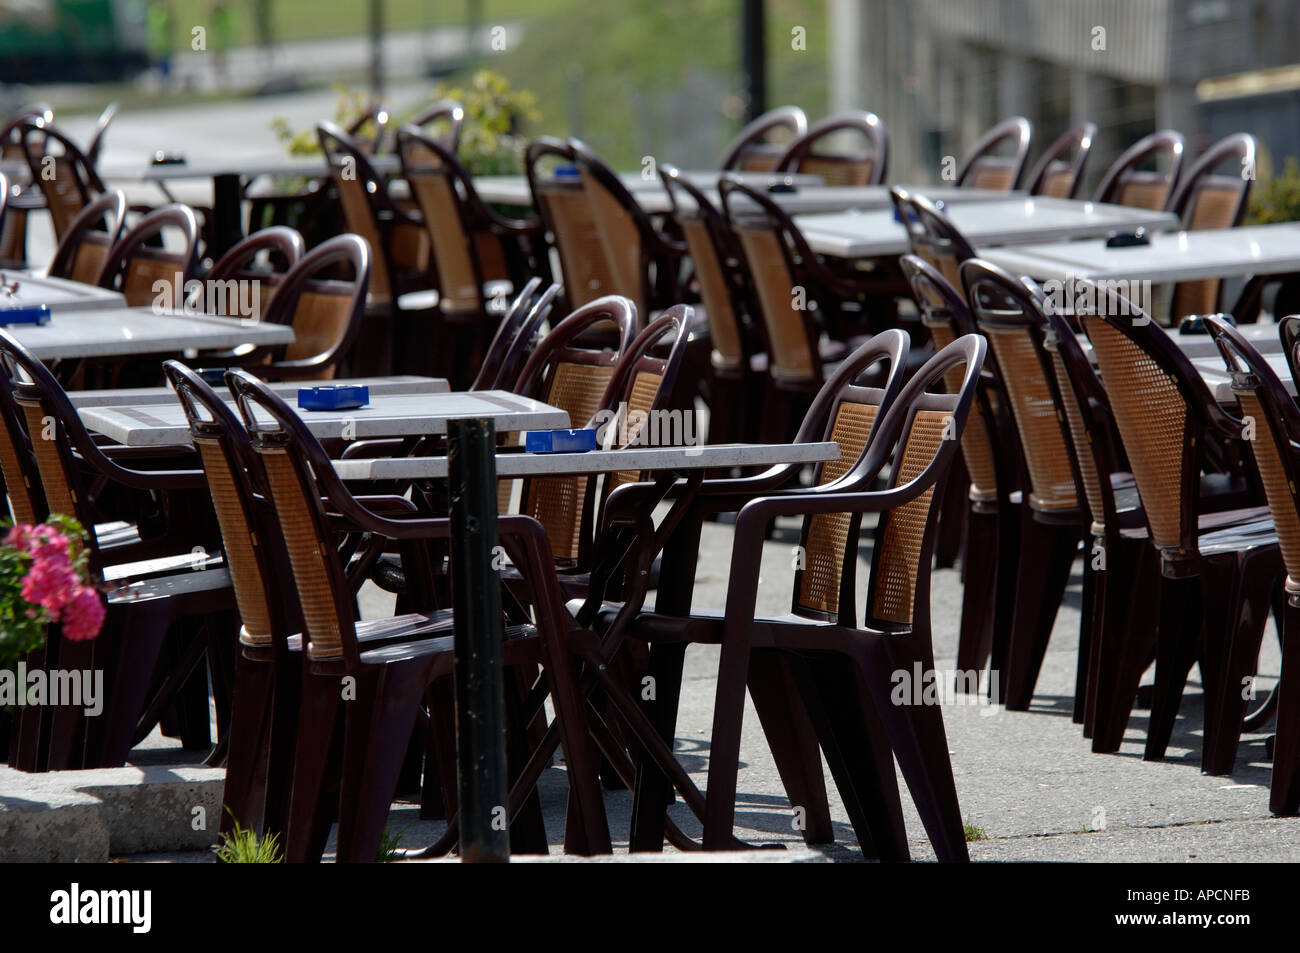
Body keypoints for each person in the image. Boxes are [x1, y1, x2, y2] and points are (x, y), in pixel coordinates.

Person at [147, 0, 176, 88]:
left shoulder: (152, 12)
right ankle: (162, 82)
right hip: (160, 44)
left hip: (159, 44)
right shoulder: (158, 13)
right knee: (161, 65)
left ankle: (163, 82)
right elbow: (171, 23)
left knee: (163, 65)